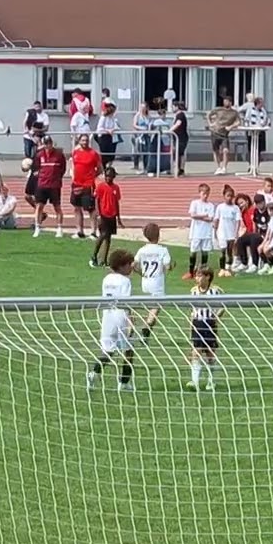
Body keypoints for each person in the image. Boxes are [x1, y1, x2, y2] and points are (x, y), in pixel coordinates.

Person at [87, 248, 136, 392]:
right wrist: (131, 319)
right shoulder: (125, 281)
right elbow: (125, 302)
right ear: (121, 266)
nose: (131, 267)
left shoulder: (107, 279)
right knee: (129, 350)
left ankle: (93, 373)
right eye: (129, 264)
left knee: (108, 350)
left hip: (108, 317)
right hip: (121, 317)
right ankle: (124, 382)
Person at [133, 223, 173, 340]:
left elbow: (133, 265)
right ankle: (147, 326)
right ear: (158, 235)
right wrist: (171, 267)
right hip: (157, 281)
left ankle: (145, 329)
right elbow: (167, 266)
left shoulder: (142, 250)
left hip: (145, 281)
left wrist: (141, 273)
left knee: (150, 305)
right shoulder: (162, 250)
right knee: (156, 306)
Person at [187, 267, 224, 392]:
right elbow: (192, 310)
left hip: (209, 324)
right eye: (196, 276)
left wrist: (216, 316)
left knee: (210, 353)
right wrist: (191, 324)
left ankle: (211, 381)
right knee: (195, 352)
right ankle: (195, 381)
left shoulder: (215, 291)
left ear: (207, 277)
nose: (196, 278)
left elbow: (222, 306)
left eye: (199, 275)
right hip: (197, 323)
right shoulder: (193, 291)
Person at [33, 136, 67, 238]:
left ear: (52, 143)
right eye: (46, 143)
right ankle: (37, 227)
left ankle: (60, 228)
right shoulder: (39, 155)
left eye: (49, 143)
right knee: (39, 206)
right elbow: (35, 168)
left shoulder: (59, 155)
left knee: (57, 207)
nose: (48, 146)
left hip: (54, 185)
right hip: (42, 185)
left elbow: (63, 168)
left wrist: (57, 177)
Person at [70, 135, 102, 239]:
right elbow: (73, 166)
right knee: (76, 207)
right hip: (76, 184)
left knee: (91, 209)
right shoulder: (75, 152)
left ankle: (93, 232)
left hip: (88, 185)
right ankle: (79, 231)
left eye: (86, 140)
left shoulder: (93, 154)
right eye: (83, 140)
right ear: (79, 141)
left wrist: (92, 177)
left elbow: (100, 169)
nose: (85, 142)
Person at [92, 166, 122, 268]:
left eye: (110, 176)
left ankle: (104, 260)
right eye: (107, 176)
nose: (108, 178)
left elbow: (116, 203)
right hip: (103, 214)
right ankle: (94, 256)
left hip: (112, 215)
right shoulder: (101, 186)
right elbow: (97, 200)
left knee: (108, 238)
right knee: (103, 235)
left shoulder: (116, 188)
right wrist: (98, 214)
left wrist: (118, 217)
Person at [186, 184, 216, 279]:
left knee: (205, 252)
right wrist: (203, 216)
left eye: (207, 193)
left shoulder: (211, 205)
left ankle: (203, 272)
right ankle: (191, 272)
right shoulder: (195, 203)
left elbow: (210, 218)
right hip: (196, 232)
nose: (205, 195)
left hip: (206, 233)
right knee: (193, 252)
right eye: (204, 193)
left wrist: (199, 216)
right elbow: (192, 215)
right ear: (200, 193)